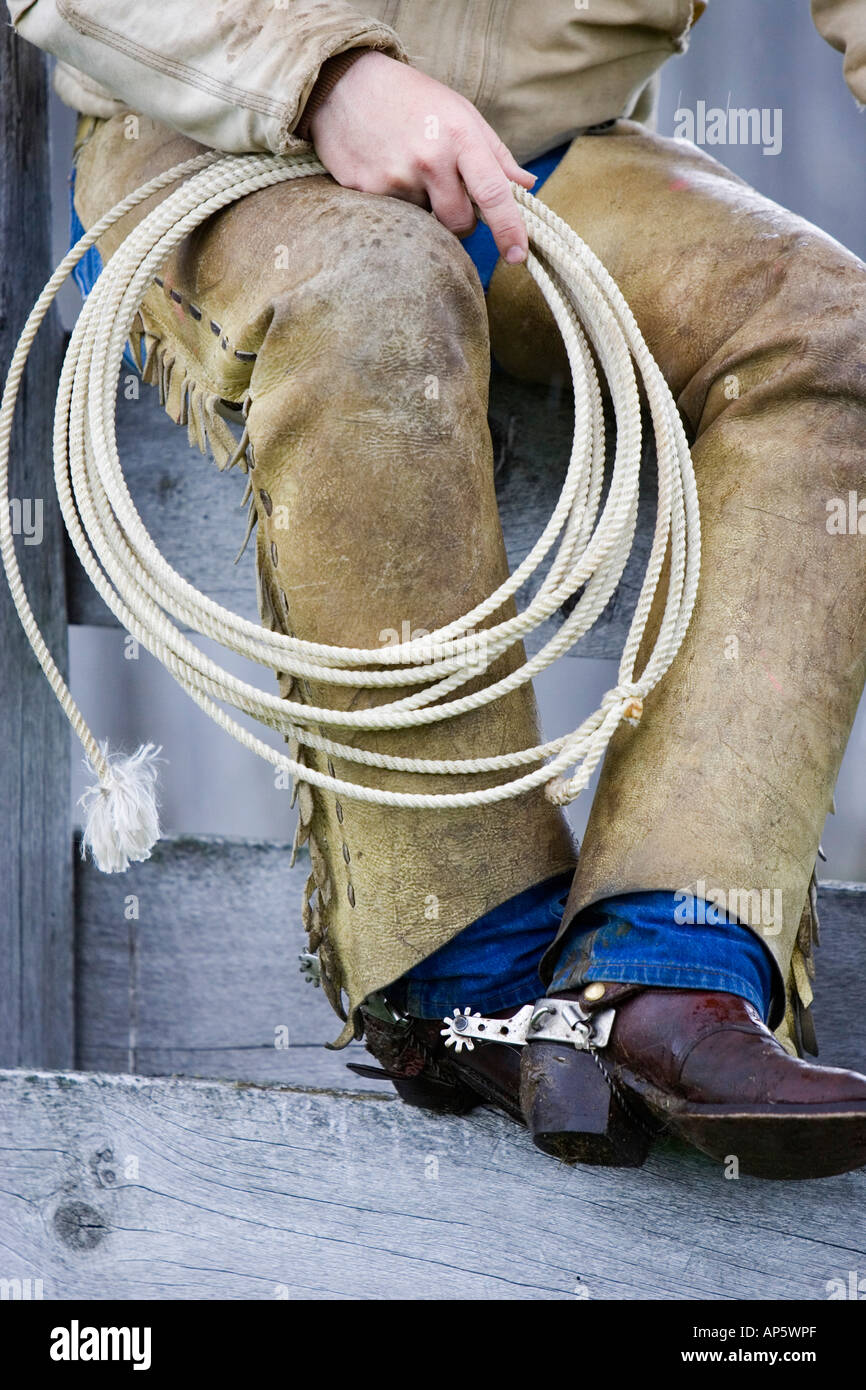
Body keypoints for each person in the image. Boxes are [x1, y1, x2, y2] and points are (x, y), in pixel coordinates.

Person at [8, 0, 866, 1178]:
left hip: (534, 159)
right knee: (372, 293)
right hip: (216, 134)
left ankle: (671, 968)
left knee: (829, 345)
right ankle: (464, 966)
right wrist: (322, 77)